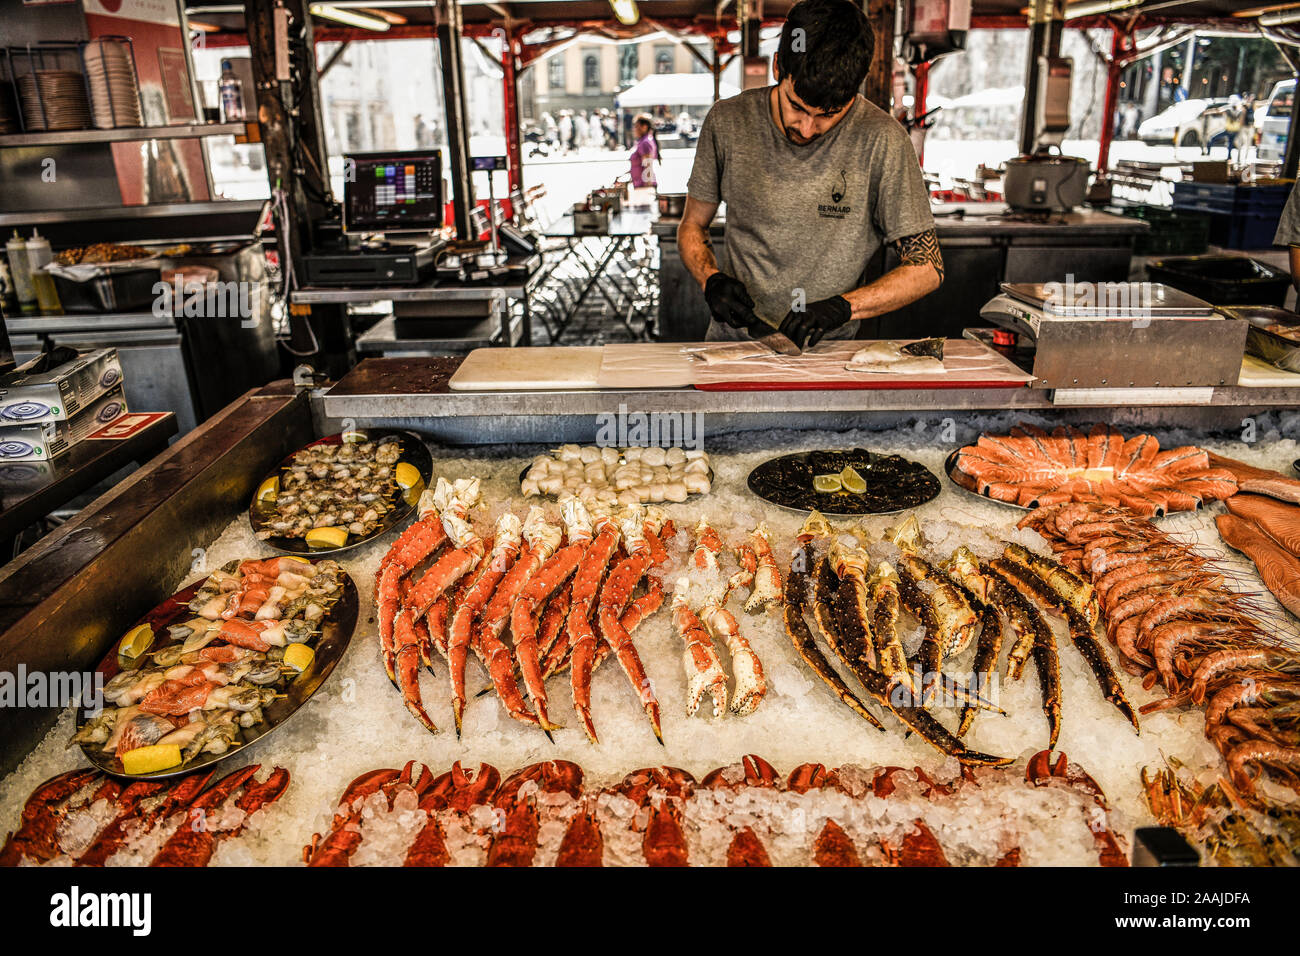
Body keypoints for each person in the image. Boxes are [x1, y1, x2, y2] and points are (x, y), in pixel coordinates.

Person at [678, 0, 941, 346]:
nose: (806, 128)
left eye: (828, 115)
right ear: (777, 66)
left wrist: (844, 307)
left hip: (829, 354)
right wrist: (710, 279)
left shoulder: (884, 140)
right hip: (733, 346)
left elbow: (927, 267)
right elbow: (693, 225)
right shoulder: (727, 122)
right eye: (796, 106)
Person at [629, 113, 659, 188]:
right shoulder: (643, 141)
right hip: (640, 184)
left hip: (644, 186)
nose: (634, 129)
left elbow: (648, 165)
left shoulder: (645, 142)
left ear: (644, 127)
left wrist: (648, 186)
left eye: (636, 127)